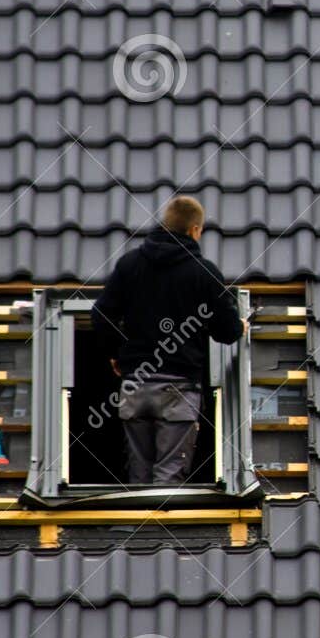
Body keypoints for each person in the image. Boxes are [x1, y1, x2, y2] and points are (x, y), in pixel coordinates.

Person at [91, 196, 245, 484]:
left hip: (135, 385)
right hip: (179, 387)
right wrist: (240, 326)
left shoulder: (129, 264)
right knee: (169, 478)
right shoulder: (204, 273)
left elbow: (101, 315)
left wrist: (116, 355)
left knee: (139, 475)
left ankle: (137, 526)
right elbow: (226, 332)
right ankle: (161, 528)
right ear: (195, 230)